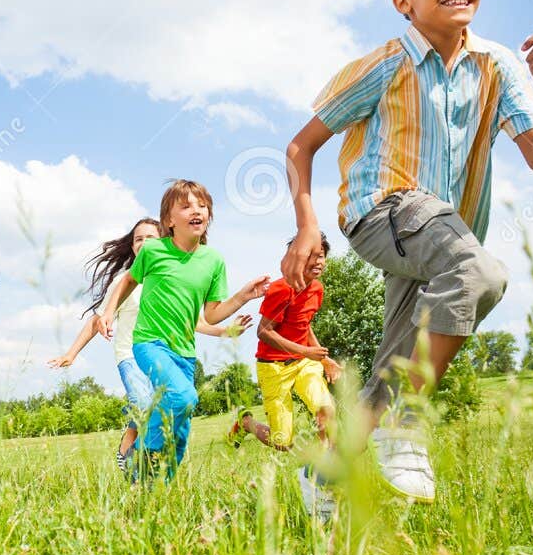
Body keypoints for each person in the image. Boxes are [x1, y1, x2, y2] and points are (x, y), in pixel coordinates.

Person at [280, 0, 533, 502]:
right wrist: (306, 225)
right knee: (482, 273)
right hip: (383, 212)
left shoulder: (496, 69)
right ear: (404, 2)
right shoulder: (384, 65)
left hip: (443, 239)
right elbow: (300, 145)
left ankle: (326, 479)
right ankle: (406, 426)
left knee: (393, 365)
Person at [48, 217, 251, 471]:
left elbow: (195, 322)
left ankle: (145, 456)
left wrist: (225, 331)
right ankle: (131, 454)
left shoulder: (169, 277)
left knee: (167, 408)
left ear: (164, 240)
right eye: (138, 239)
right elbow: (96, 320)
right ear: (132, 247)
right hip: (131, 356)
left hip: (165, 355)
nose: (144, 243)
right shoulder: (124, 281)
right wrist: (71, 354)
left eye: (150, 238)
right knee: (144, 404)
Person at [98, 180, 269, 480]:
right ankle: (139, 458)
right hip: (150, 343)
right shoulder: (153, 251)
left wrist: (242, 297)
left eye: (202, 205)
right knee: (184, 397)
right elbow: (127, 280)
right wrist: (110, 312)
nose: (197, 210)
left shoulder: (213, 261)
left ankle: (156, 489)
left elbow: (212, 315)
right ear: (169, 220)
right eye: (187, 205)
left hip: (184, 354)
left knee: (180, 429)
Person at [228, 232, 340, 514]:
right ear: (295, 260)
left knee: (327, 409)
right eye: (310, 255)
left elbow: (304, 325)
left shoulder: (317, 290)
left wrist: (324, 360)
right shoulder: (281, 290)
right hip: (273, 367)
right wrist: (305, 352)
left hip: (304, 365)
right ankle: (246, 423)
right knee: (282, 442)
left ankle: (322, 475)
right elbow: (263, 332)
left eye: (321, 255)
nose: (318, 261)